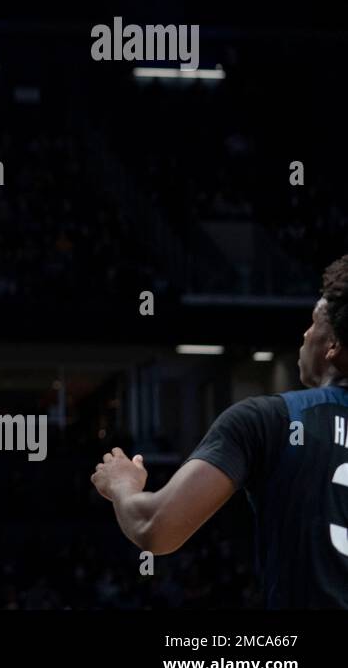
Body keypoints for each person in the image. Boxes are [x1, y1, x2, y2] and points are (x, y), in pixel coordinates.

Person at [92, 255, 348, 608]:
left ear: (333, 344)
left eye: (313, 322)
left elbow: (156, 527)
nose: (305, 334)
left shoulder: (271, 418)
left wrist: (122, 484)